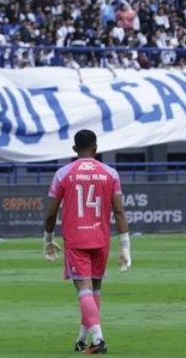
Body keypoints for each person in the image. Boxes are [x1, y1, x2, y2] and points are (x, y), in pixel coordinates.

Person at [43, 130, 131, 354]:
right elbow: (119, 211)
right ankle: (83, 338)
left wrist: (48, 239)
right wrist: (125, 247)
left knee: (84, 290)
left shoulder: (63, 173)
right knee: (95, 290)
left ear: (74, 150)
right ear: (95, 148)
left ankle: (99, 339)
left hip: (76, 239)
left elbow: (51, 213)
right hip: (100, 239)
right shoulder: (110, 173)